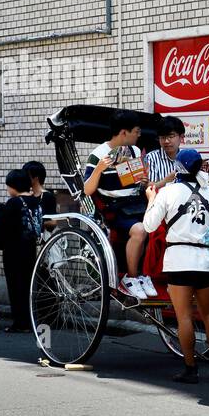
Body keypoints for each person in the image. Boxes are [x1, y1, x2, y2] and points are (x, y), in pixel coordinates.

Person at [142, 149, 209, 384]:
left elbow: (149, 226)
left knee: (184, 318)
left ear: (178, 168)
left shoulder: (168, 191)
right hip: (204, 260)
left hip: (179, 259)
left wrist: (151, 199)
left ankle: (190, 368)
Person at [82, 110, 154, 299]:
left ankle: (149, 276)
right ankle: (131, 278)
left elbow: (136, 182)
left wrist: (143, 181)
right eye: (136, 131)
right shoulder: (98, 154)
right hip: (112, 208)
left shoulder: (135, 151)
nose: (139, 135)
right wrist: (99, 169)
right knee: (140, 230)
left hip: (136, 203)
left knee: (162, 225)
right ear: (124, 132)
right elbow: (87, 190)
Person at [0, 169, 44, 333]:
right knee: (27, 285)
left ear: (13, 186)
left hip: (13, 249)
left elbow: (4, 225)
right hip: (30, 248)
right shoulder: (36, 201)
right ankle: (29, 321)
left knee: (15, 286)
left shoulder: (14, 202)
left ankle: (20, 322)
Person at [143, 115, 188, 189]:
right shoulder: (151, 158)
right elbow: (148, 187)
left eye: (171, 136)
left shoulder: (187, 157)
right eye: (163, 137)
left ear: (181, 137)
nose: (166, 141)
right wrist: (166, 181)